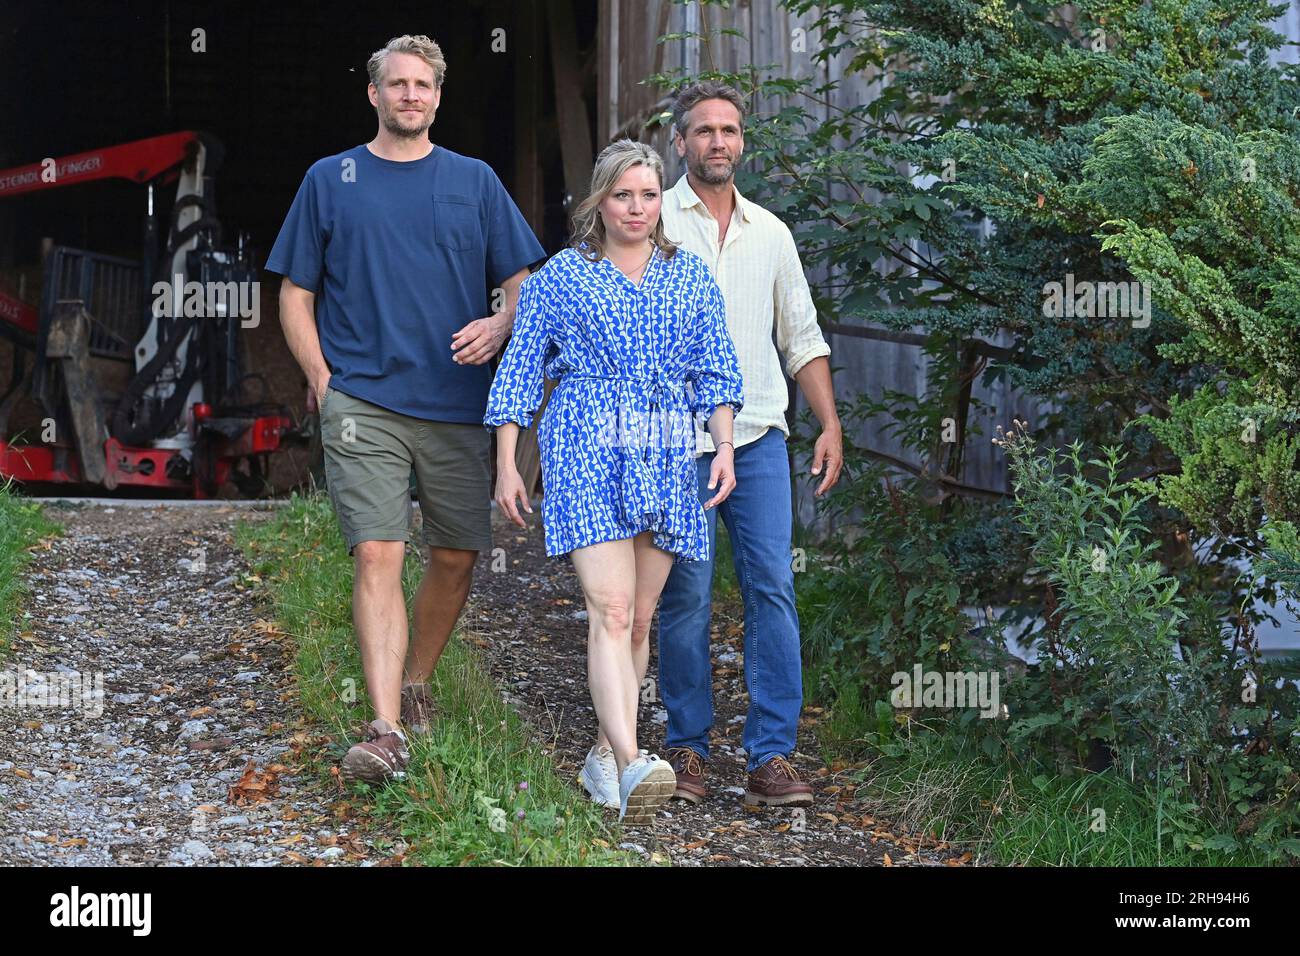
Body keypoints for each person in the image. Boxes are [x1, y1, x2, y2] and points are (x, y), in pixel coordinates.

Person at [266, 34, 545, 784]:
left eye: (423, 86)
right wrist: (323, 378)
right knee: (379, 550)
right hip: (364, 400)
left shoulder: (474, 181)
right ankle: (385, 725)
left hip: (457, 406)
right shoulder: (332, 180)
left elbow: (524, 283)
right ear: (374, 94)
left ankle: (417, 677)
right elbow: (295, 293)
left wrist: (499, 323)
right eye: (398, 85)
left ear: (438, 97)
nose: (411, 96)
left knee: (456, 557)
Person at [484, 139, 744, 824]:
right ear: (598, 200)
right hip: (585, 445)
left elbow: (716, 372)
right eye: (623, 194)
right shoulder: (560, 278)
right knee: (613, 610)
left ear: (662, 201)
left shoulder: (689, 278)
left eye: (649, 195)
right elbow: (519, 371)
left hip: (665, 449)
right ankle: (633, 764)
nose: (636, 207)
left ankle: (604, 756)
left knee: (642, 618)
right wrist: (509, 460)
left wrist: (723, 449)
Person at [656, 81, 844, 808]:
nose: (718, 142)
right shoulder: (653, 220)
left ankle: (770, 756)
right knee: (688, 593)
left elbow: (801, 338)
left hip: (762, 436)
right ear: (680, 143)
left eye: (729, 131)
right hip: (678, 441)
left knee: (773, 588)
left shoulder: (771, 232)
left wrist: (827, 422)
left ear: (742, 142)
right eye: (703, 131)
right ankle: (688, 748)